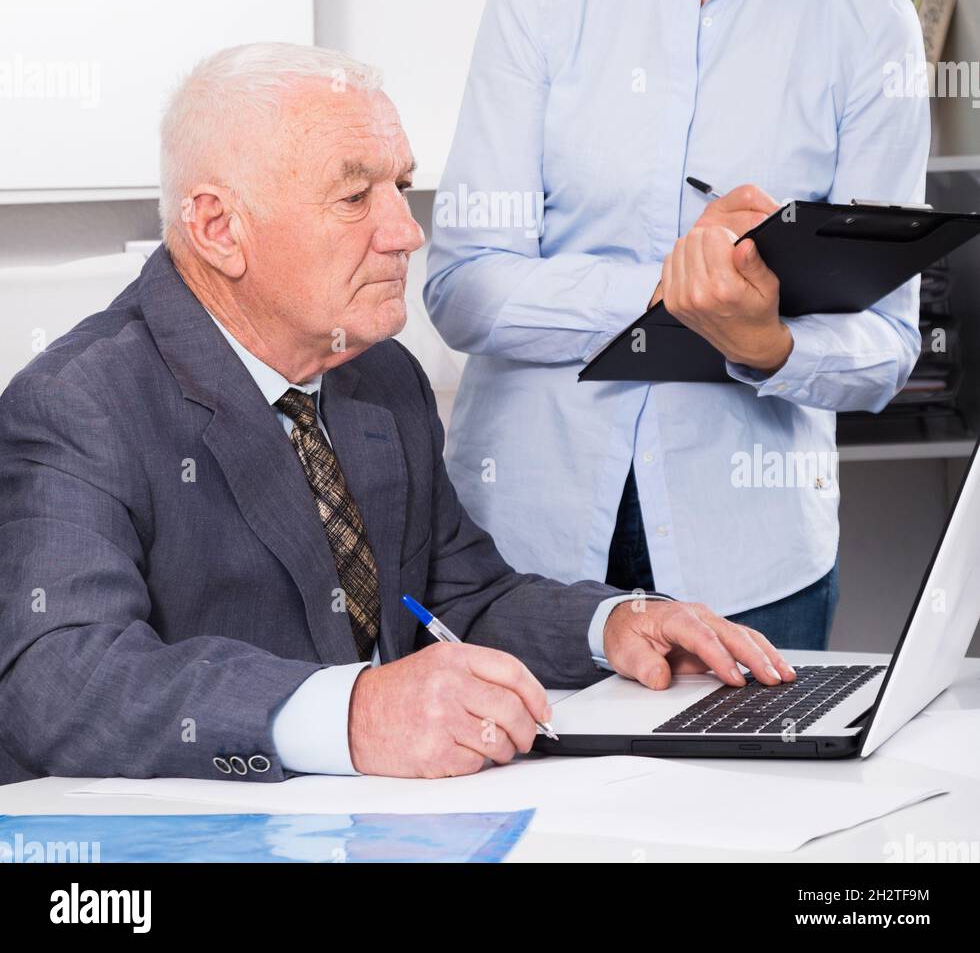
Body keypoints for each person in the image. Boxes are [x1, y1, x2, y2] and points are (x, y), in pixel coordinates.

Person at [0, 43, 795, 785]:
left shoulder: (379, 374)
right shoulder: (79, 403)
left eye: (401, 188)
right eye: (355, 197)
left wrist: (613, 624)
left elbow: (457, 600)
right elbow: (56, 678)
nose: (409, 233)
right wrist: (354, 714)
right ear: (218, 229)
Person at [423, 0, 930, 648]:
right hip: (521, 551)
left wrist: (765, 341)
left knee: (738, 813)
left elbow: (881, 346)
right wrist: (668, 291)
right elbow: (463, 284)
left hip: (752, 565)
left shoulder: (868, 26)